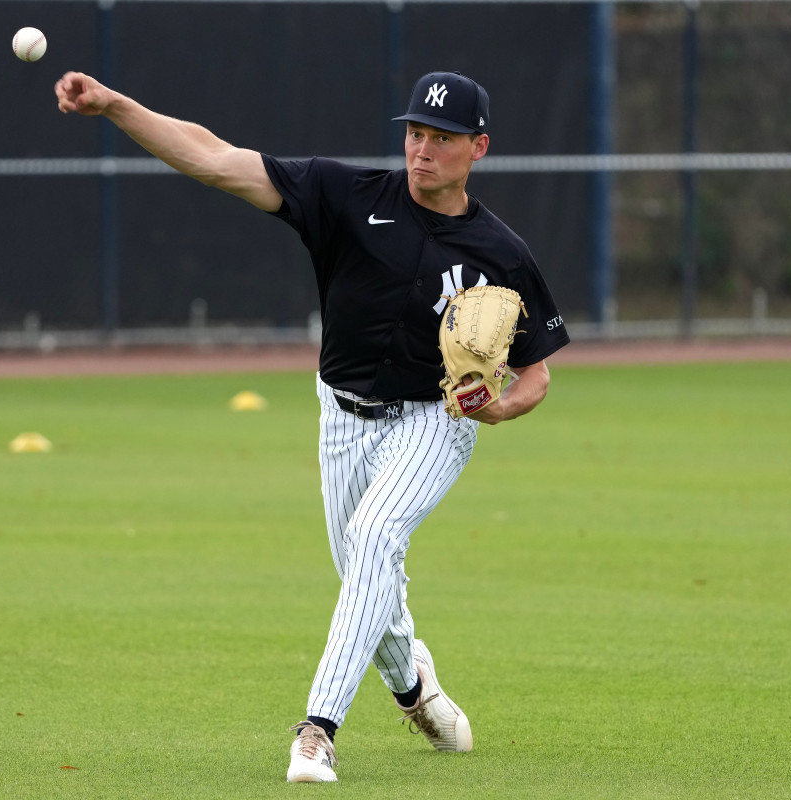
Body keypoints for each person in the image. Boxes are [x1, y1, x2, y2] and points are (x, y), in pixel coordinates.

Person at [54, 68, 570, 783]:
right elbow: (213, 159)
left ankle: (317, 731)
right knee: (366, 569)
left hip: (433, 420)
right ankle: (414, 687)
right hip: (341, 417)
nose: (423, 150)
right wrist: (114, 106)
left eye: (442, 139)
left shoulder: (502, 253)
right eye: (416, 133)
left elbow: (536, 374)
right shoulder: (346, 194)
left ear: (477, 147)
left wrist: (499, 405)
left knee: (374, 536)